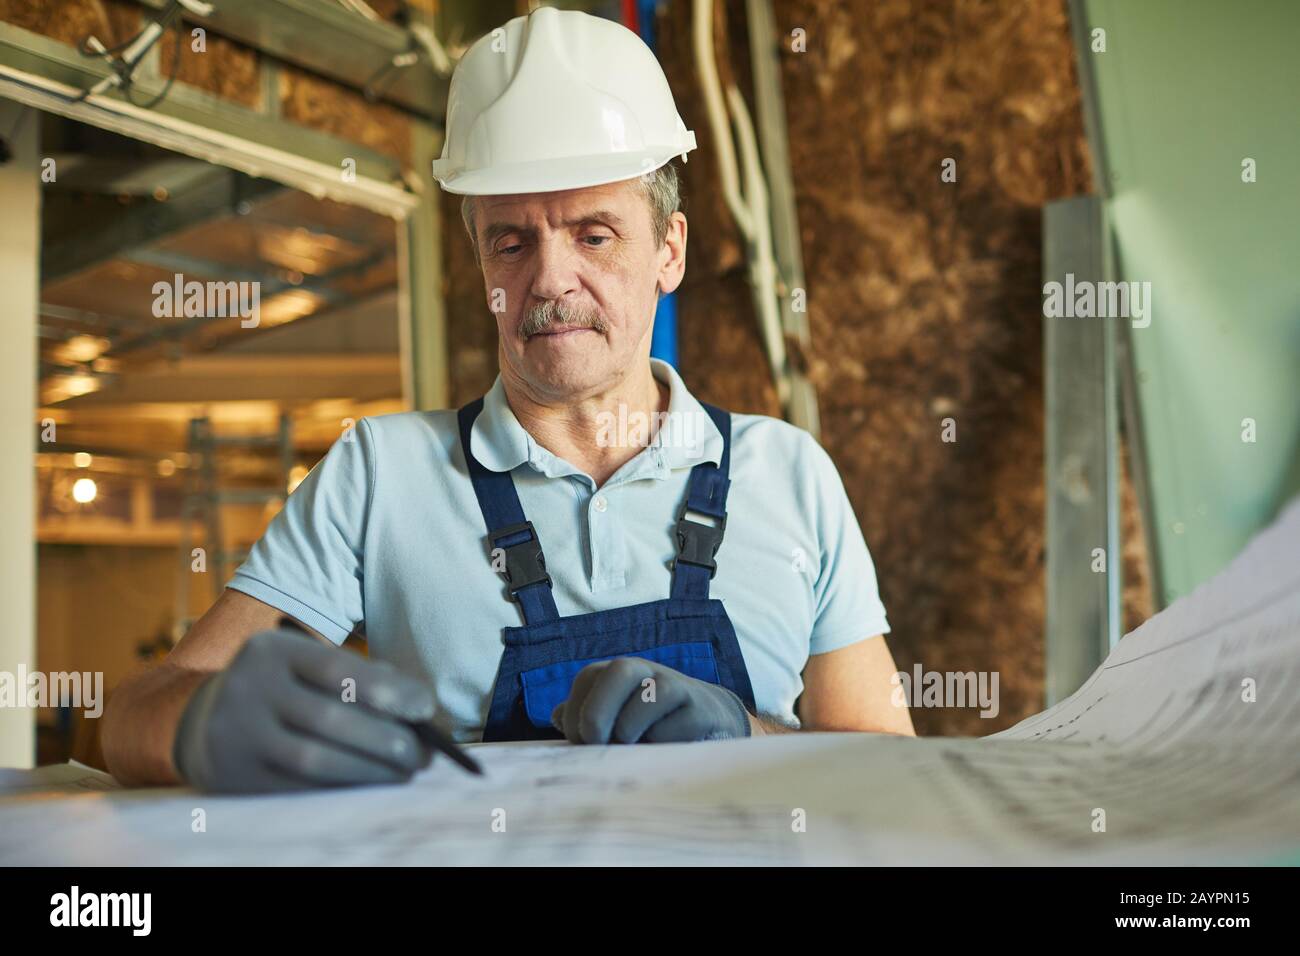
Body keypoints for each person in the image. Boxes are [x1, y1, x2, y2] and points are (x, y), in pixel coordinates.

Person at [101, 6, 913, 793]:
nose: (551, 279)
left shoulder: (789, 473)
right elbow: (133, 717)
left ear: (670, 251)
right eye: (512, 241)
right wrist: (204, 720)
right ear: (481, 262)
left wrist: (747, 736)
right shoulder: (380, 476)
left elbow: (887, 769)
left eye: (594, 235)